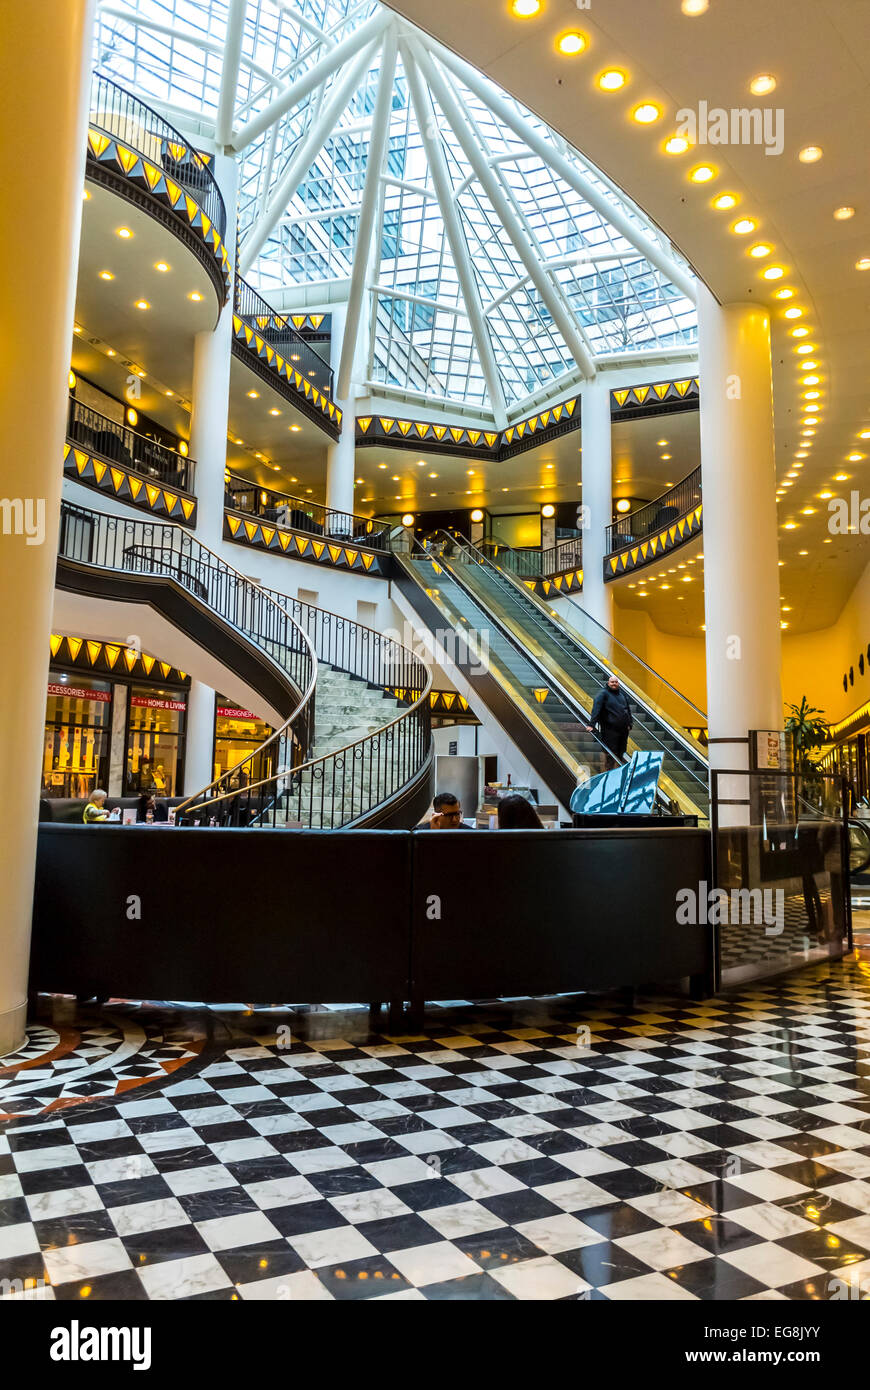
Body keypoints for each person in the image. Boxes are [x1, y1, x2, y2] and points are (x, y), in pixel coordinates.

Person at [586, 674, 633, 764]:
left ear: (618, 683)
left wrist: (630, 724)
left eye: (616, 682)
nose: (614, 684)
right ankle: (607, 770)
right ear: (608, 682)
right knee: (609, 751)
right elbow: (596, 709)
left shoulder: (622, 695)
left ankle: (617, 770)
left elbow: (627, 710)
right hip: (609, 729)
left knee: (621, 751)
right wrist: (591, 724)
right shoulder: (603, 694)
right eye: (612, 682)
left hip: (623, 730)